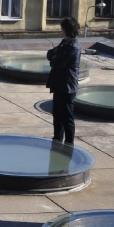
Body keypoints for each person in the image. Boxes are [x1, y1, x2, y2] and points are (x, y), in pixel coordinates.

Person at [46, 17, 82, 145]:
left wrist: (54, 57)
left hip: (67, 87)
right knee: (57, 115)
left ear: (66, 30)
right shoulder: (65, 43)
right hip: (59, 85)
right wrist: (54, 56)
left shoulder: (73, 46)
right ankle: (57, 139)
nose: (61, 31)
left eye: (62, 28)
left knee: (67, 118)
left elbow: (58, 62)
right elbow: (49, 53)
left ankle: (69, 144)